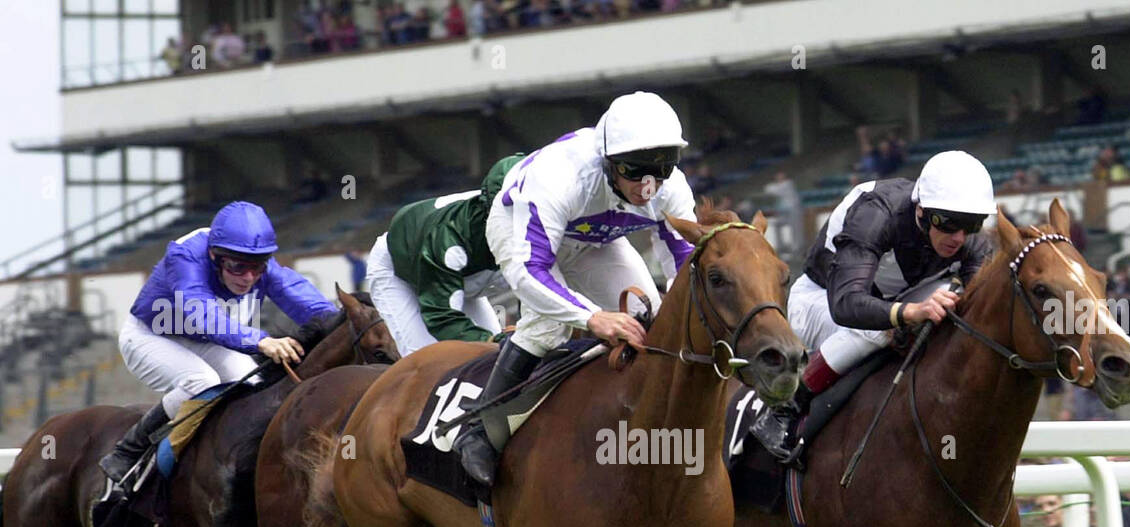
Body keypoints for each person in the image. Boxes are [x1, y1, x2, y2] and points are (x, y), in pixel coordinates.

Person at [453, 91, 697, 485]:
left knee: (646, 318)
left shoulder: (672, 188)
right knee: (549, 326)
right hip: (521, 229)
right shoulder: (561, 175)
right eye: (635, 170)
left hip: (594, 236)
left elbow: (684, 262)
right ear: (609, 161)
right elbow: (530, 272)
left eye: (663, 169)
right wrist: (592, 317)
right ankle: (480, 431)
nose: (648, 186)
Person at [751, 149, 995, 462]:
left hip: (890, 299)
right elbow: (848, 304)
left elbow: (978, 305)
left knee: (953, 305)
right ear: (921, 210)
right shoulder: (876, 214)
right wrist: (908, 313)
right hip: (821, 301)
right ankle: (786, 407)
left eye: (971, 225)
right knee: (881, 329)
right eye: (947, 223)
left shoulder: (966, 237)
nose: (959, 237)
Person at [99, 201, 335, 486]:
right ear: (214, 255)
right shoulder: (185, 256)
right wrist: (261, 341)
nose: (248, 278)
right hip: (151, 336)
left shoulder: (254, 263)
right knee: (202, 381)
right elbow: (204, 316)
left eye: (257, 268)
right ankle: (127, 452)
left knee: (251, 386)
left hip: (206, 340)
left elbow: (298, 294)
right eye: (237, 267)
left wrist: (344, 321)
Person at [365, 153, 524, 356]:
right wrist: (493, 340)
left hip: (459, 277)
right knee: (428, 357)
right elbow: (442, 316)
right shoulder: (450, 238)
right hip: (401, 272)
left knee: (500, 356)